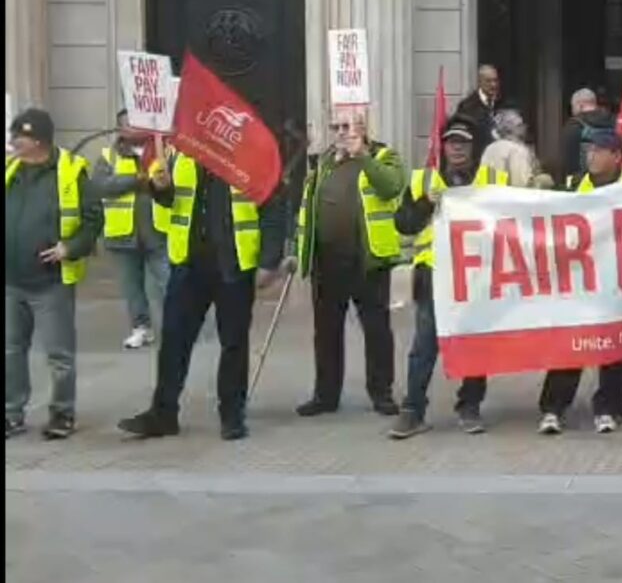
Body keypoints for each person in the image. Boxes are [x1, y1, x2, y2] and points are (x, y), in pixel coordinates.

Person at [118, 146, 286, 441]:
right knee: (173, 342)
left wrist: (269, 261)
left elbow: (272, 207)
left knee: (233, 344)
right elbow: (170, 201)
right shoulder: (181, 155)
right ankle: (163, 413)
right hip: (189, 263)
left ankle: (232, 415)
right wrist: (159, 188)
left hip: (234, 266)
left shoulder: (248, 157)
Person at [389, 119, 509, 439]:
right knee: (424, 345)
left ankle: (469, 405)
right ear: (442, 146)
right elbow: (404, 224)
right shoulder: (423, 180)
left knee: (475, 341)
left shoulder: (491, 179)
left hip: (474, 274)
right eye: (451, 142)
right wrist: (426, 201)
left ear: (473, 148)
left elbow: (513, 216)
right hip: (433, 273)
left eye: (463, 143)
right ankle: (412, 409)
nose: (456, 148)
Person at [292, 111, 407, 417]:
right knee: (326, 332)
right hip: (327, 261)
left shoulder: (384, 155)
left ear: (363, 127)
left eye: (347, 126)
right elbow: (310, 206)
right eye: (336, 127)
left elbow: (392, 186)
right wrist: (301, 250)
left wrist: (363, 156)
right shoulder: (325, 161)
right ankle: (325, 395)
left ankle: (381, 393)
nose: (341, 132)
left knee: (377, 330)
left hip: (367, 261)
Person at [6, 109, 103, 440]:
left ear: (38, 141)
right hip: (11, 280)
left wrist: (69, 248)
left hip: (51, 281)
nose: (12, 141)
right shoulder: (10, 170)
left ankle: (62, 413)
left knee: (59, 354)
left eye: (18, 136)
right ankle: (11, 413)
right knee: (10, 350)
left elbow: (93, 220)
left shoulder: (72, 171)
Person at [538, 130, 622, 435]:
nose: (592, 156)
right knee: (570, 344)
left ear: (617, 157)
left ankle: (607, 407)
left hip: (616, 280)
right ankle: (552, 409)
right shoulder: (571, 186)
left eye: (600, 150)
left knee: (612, 346)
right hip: (579, 281)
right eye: (590, 150)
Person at [92, 110, 170, 349]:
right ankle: (141, 328)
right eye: (126, 125)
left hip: (158, 232)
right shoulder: (109, 156)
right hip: (122, 234)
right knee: (132, 288)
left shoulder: (162, 150)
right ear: (119, 130)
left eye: (136, 123)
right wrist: (137, 180)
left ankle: (176, 326)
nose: (132, 129)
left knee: (169, 282)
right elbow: (101, 185)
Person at [480, 108, 552, 189]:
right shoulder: (516, 150)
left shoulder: (490, 148)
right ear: (509, 129)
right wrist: (544, 180)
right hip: (509, 199)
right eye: (520, 125)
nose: (524, 127)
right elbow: (521, 185)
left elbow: (483, 181)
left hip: (489, 197)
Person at [558, 87, 617, 181]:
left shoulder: (574, 126)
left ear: (580, 106)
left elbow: (569, 162)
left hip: (584, 184)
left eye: (573, 107)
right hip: (615, 182)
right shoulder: (615, 121)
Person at [453, 64, 509, 158]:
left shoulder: (503, 103)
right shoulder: (467, 107)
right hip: (478, 160)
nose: (493, 85)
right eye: (488, 81)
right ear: (479, 82)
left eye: (495, 80)